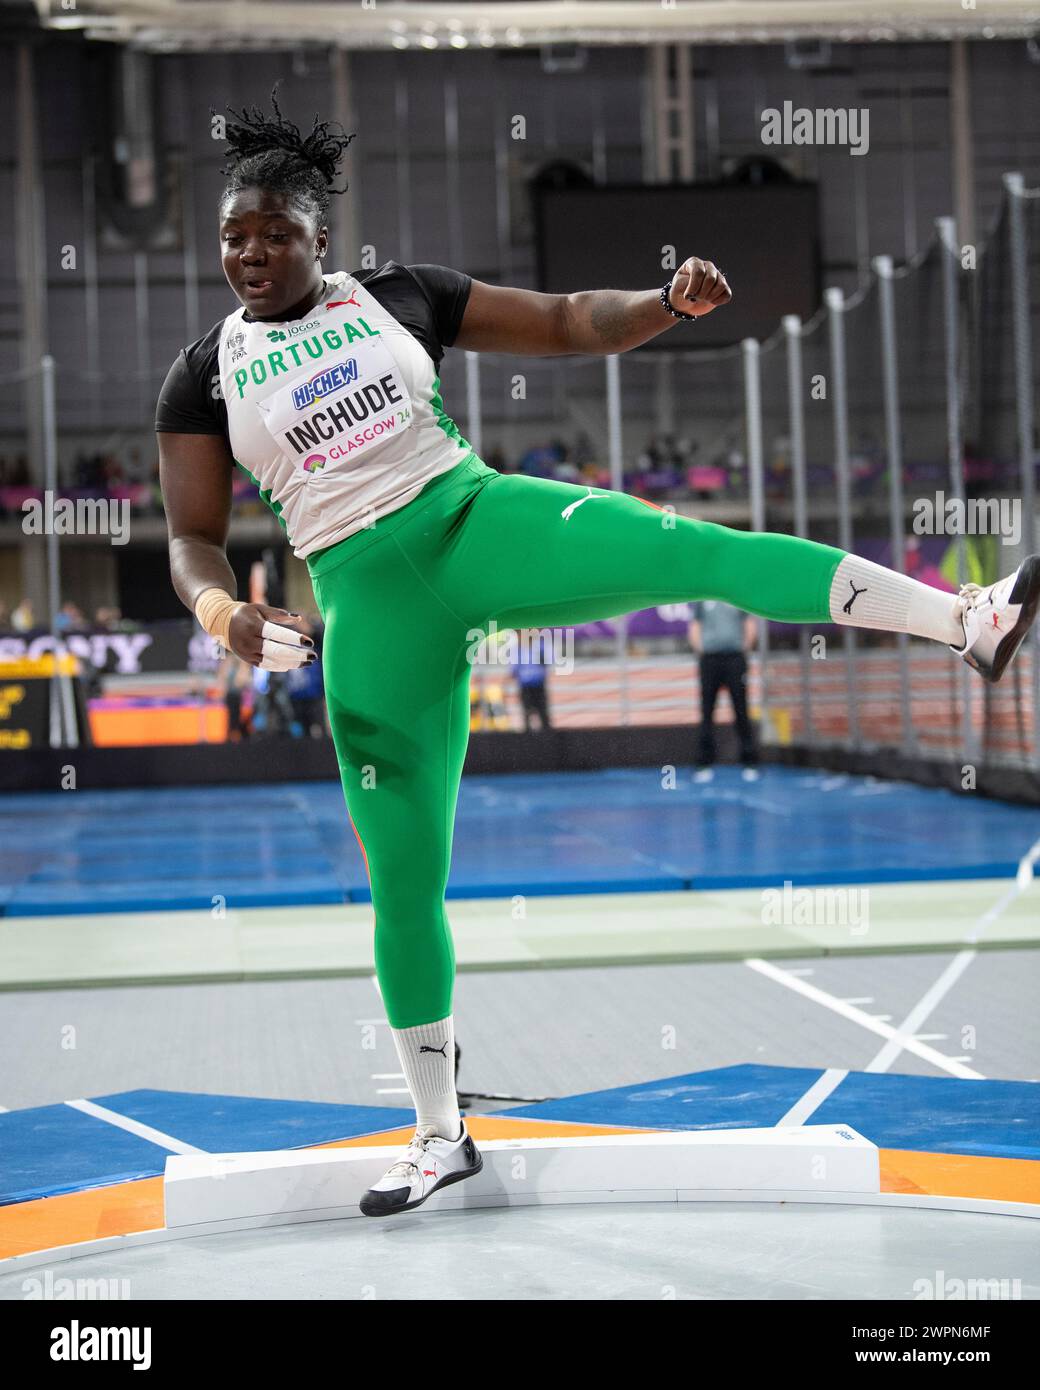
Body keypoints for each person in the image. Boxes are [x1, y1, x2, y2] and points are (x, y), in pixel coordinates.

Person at [156, 89, 1039, 1219]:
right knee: (403, 871)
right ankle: (436, 1134)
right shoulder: (203, 372)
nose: (250, 252)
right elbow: (189, 537)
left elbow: (573, 319)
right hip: (367, 605)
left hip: (474, 521)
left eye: (273, 231)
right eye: (234, 236)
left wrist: (660, 304)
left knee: (700, 549)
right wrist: (224, 615)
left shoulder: (400, 296)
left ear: (320, 238)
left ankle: (967, 620)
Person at [689, 601, 758, 781]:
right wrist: (701, 650)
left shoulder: (735, 598)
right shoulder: (703, 600)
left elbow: (749, 624)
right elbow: (695, 626)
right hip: (710, 660)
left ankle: (750, 761)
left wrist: (744, 649)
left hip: (734, 660)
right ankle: (704, 763)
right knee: (707, 711)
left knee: (741, 710)